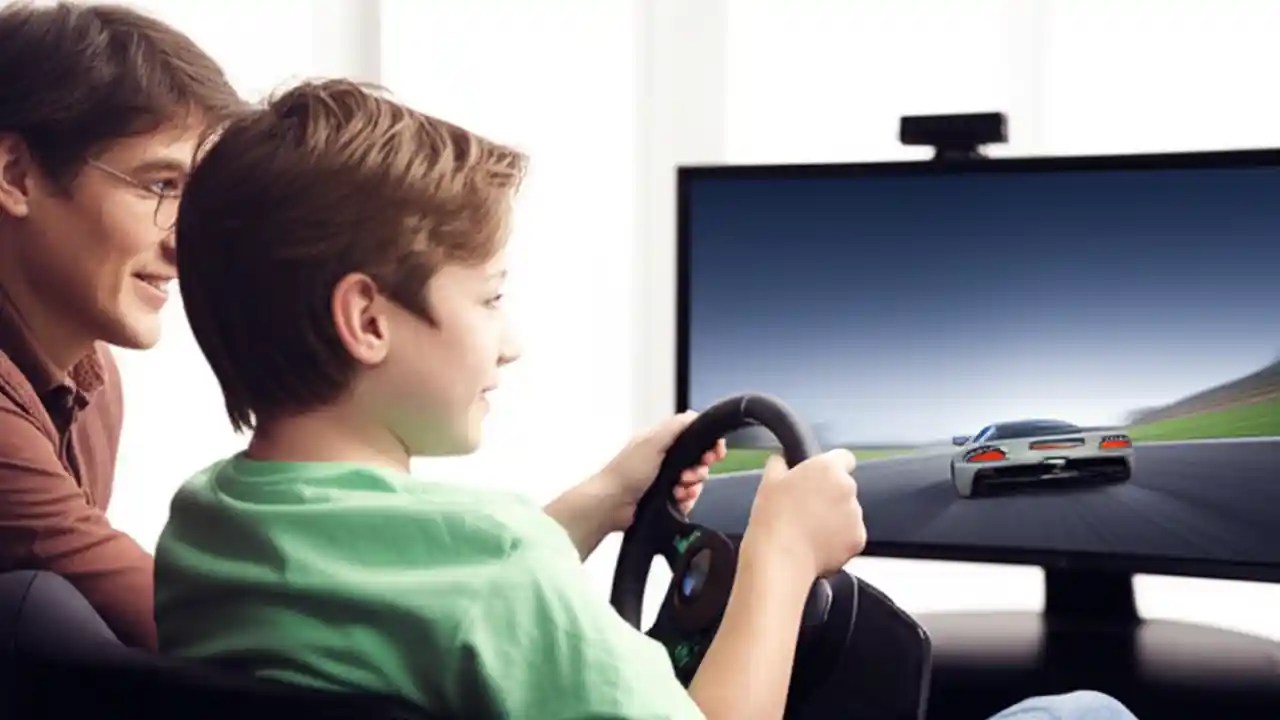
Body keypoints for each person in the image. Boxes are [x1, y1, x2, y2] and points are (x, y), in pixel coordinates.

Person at [153, 79, 1138, 720]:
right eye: (489, 297)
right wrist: (779, 561)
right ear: (366, 321)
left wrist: (598, 500)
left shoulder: (209, 528)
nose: (512, 339)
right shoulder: (494, 572)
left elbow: (411, 604)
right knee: (1080, 714)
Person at [0, 1, 244, 650]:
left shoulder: (92, 372)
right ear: (14, 174)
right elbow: (179, 627)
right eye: (161, 185)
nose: (186, 241)